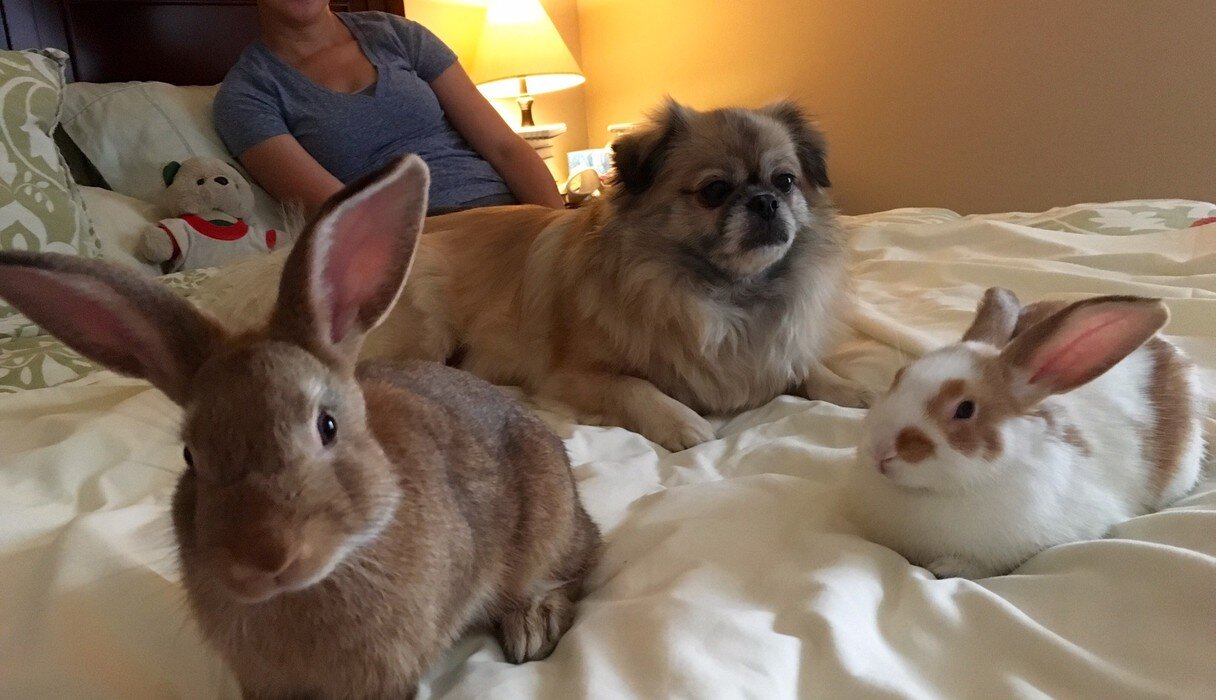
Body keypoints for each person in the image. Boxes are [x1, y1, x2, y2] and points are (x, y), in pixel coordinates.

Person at [214, 0, 564, 215]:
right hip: (421, 241)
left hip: (515, 218)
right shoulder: (248, 93)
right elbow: (343, 212)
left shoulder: (399, 35)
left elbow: (506, 148)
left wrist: (560, 230)